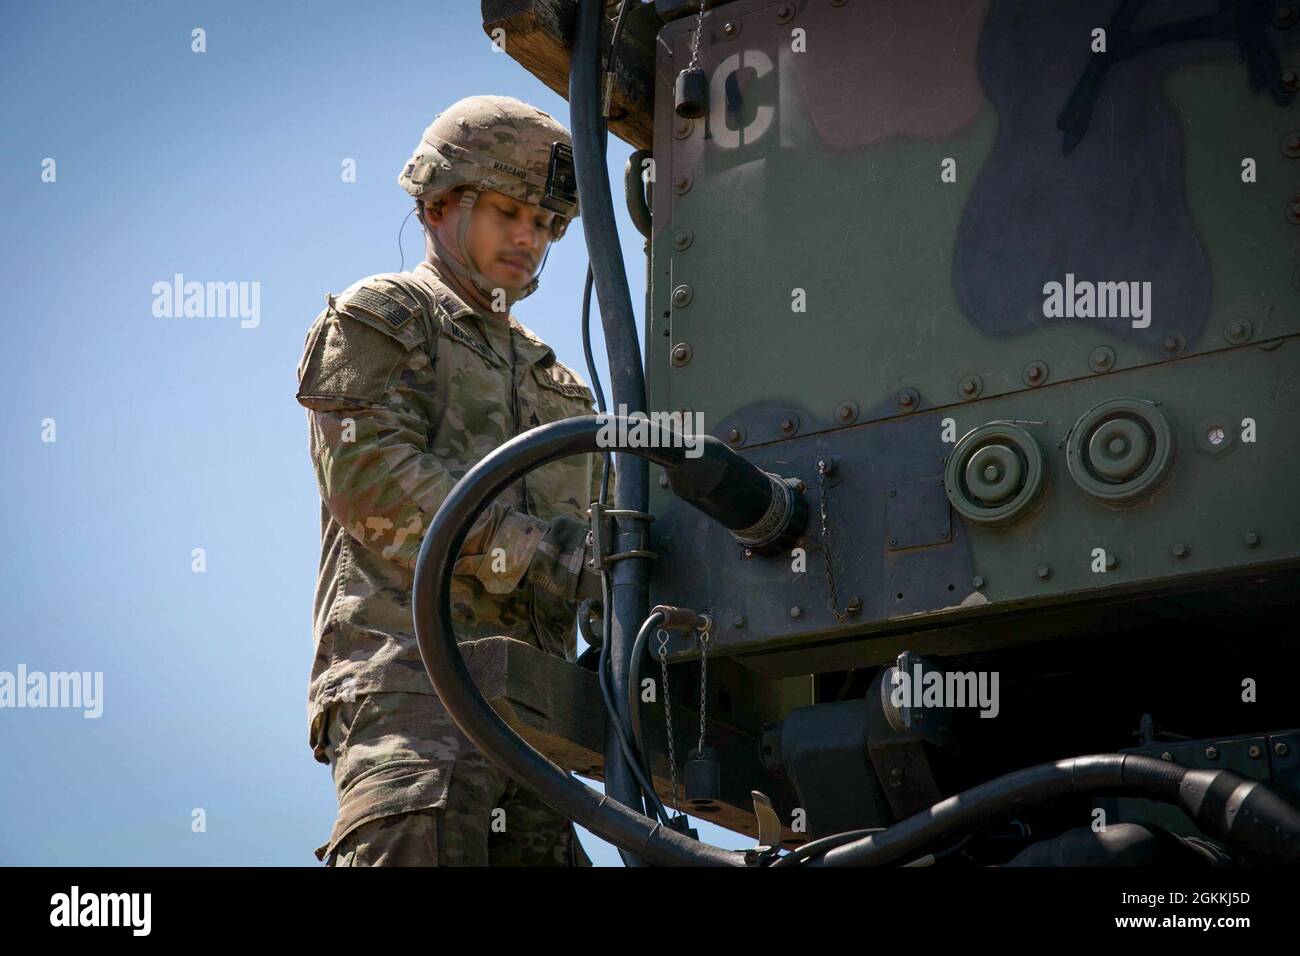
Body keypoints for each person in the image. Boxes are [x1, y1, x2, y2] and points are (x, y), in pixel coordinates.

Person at [295, 94, 606, 866]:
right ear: (438, 205)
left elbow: (606, 543)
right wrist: (542, 554)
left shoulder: (559, 384)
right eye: (507, 212)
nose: (529, 239)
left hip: (538, 723)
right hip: (414, 693)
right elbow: (371, 476)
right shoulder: (388, 315)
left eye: (546, 224)